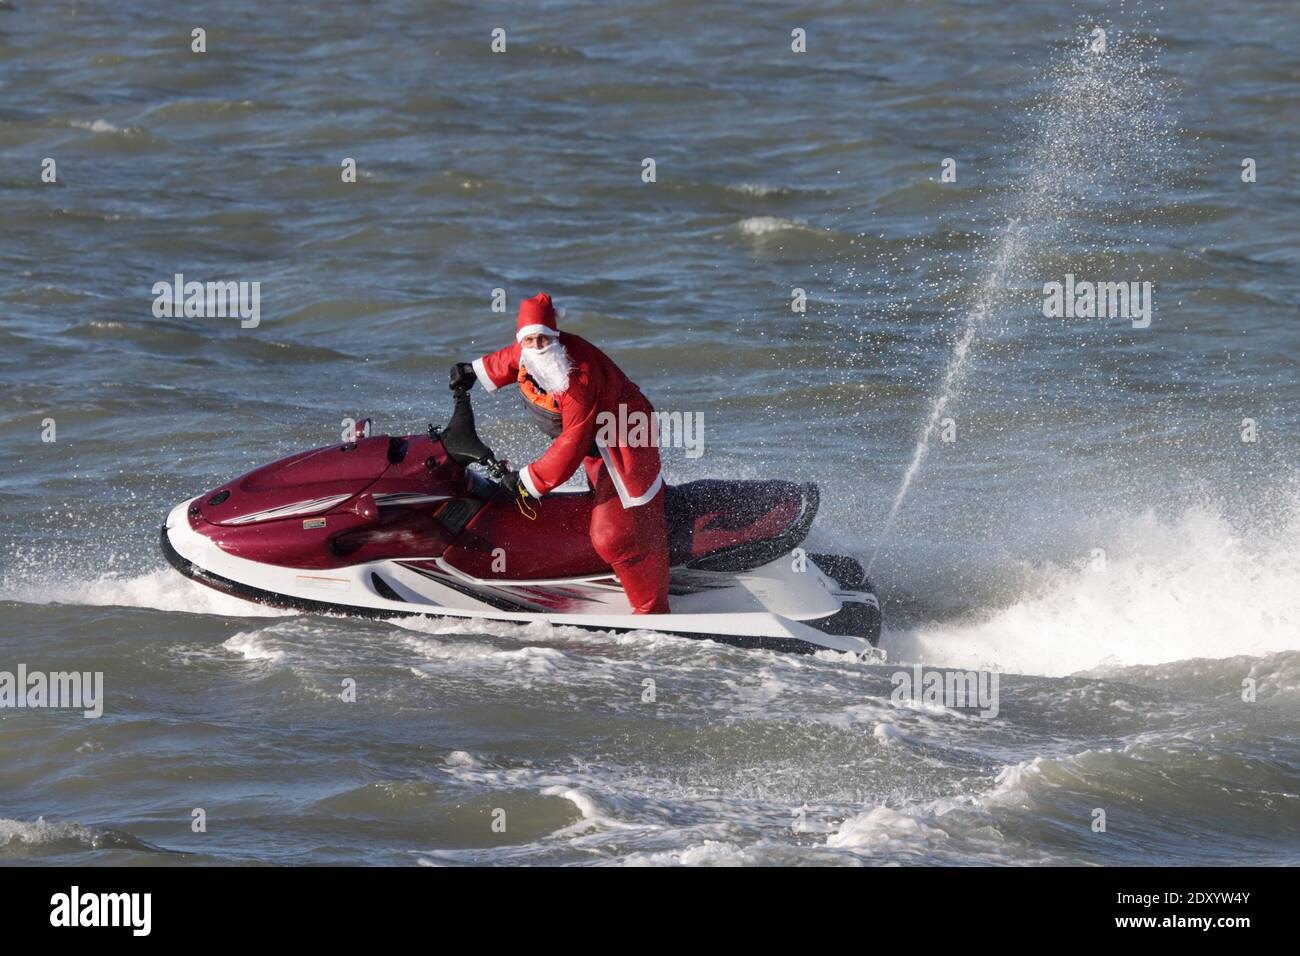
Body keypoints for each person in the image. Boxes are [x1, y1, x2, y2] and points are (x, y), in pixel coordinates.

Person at [449, 293, 670, 614]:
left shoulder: (577, 376)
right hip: (597, 442)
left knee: (616, 534)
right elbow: (512, 360)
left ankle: (654, 609)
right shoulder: (529, 354)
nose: (538, 346)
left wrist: (527, 480)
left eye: (544, 338)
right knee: (596, 497)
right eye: (531, 339)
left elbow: (572, 443)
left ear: (556, 337)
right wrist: (473, 371)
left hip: (626, 437)